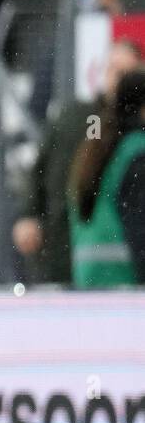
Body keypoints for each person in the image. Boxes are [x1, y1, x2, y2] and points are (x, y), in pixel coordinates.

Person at [14, 38, 141, 285]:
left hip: (119, 261)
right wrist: (28, 215)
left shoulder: (136, 131)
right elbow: (39, 170)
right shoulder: (73, 119)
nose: (118, 78)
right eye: (113, 69)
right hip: (62, 248)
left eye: (127, 72)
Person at [68, 69, 145, 288]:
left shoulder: (100, 147)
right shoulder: (138, 151)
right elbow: (140, 226)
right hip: (127, 280)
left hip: (90, 277)